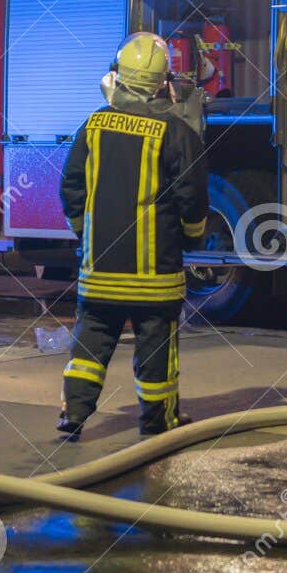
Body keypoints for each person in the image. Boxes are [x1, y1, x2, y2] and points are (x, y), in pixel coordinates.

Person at [58, 33, 209, 439]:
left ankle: (73, 414)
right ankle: (157, 421)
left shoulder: (93, 126)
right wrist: (193, 237)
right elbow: (191, 197)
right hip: (154, 276)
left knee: (90, 341)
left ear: (118, 76)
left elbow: (71, 187)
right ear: (164, 81)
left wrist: (83, 235)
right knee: (156, 346)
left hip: (100, 268)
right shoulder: (176, 132)